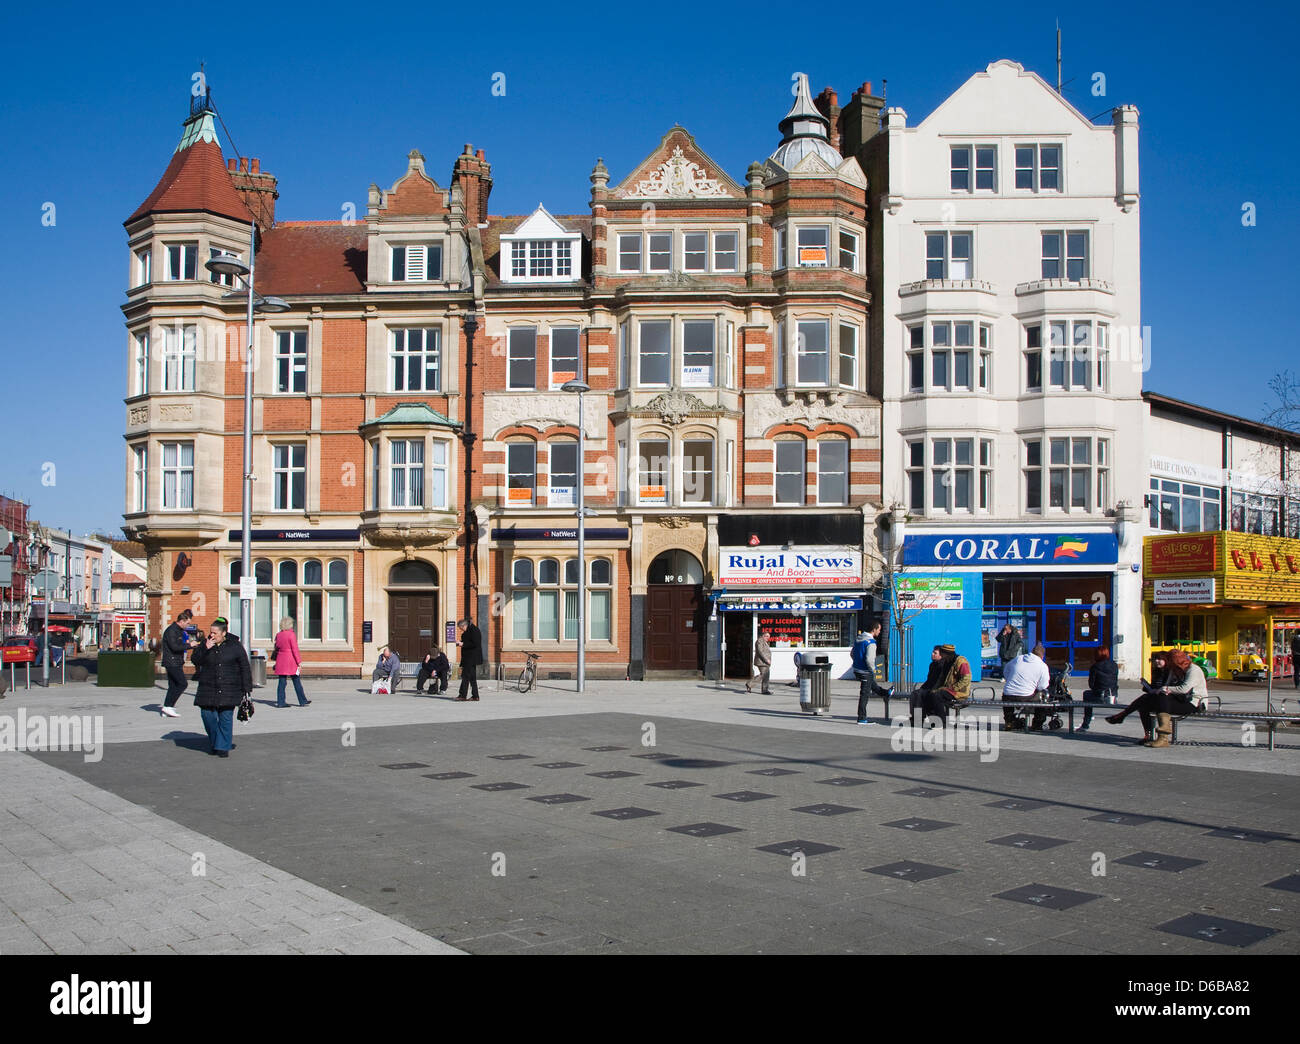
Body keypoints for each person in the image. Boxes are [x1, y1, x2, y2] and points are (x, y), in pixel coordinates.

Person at [1106, 651, 1202, 747]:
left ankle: (1162, 737)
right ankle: (1151, 735)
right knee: (1145, 704)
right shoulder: (1178, 669)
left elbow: (1184, 689)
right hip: (1180, 699)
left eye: (1170, 661)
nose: (1170, 663)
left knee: (1160, 696)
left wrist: (1165, 689)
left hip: (1194, 703)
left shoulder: (1193, 670)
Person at [189, 618, 251, 757]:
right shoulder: (206, 644)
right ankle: (217, 741)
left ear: (223, 633)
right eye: (211, 632)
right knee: (207, 715)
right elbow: (195, 660)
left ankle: (222, 747)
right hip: (208, 687)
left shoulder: (235, 646)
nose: (212, 635)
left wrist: (247, 687)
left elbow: (244, 667)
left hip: (229, 687)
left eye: (215, 633)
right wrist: (205, 648)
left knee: (225, 717)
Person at [912, 644, 971, 725]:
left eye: (942, 654)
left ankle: (941, 722)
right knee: (930, 694)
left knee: (936, 695)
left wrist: (953, 688)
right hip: (948, 690)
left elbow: (966, 678)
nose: (941, 655)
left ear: (947, 653)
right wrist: (935, 689)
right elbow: (941, 679)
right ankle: (928, 719)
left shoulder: (961, 661)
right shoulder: (947, 662)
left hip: (959, 691)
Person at [851, 621, 893, 724]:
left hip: (857, 669)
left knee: (872, 685)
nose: (879, 632)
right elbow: (870, 659)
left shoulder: (858, 639)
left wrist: (857, 662)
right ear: (874, 630)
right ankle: (862, 718)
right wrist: (872, 669)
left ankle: (885, 693)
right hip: (865, 671)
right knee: (864, 694)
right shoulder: (871, 642)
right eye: (879, 629)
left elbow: (852, 653)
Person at [1001, 643, 1051, 731]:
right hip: (1025, 696)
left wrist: (1009, 679)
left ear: (1031, 652)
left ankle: (1009, 722)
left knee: (1008, 694)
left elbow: (1006, 669)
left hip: (1008, 694)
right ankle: (1037, 724)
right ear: (1042, 656)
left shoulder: (1018, 658)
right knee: (1042, 698)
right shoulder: (1042, 666)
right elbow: (1043, 686)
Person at [160, 608, 198, 718]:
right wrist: (190, 645)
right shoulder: (172, 630)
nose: (188, 625)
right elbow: (175, 647)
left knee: (173, 685)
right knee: (182, 684)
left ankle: (168, 707)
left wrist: (188, 644)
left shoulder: (177, 630)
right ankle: (167, 707)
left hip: (174, 661)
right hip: (172, 661)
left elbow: (177, 645)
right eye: (187, 623)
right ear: (181, 621)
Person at [272, 617, 311, 708]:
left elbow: (277, 646)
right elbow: (295, 649)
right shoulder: (291, 635)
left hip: (281, 660)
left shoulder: (278, 635)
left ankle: (280, 701)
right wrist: (299, 662)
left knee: (282, 682)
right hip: (291, 660)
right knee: (296, 681)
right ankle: (302, 700)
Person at [1079, 647, 1119, 731]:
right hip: (1113, 695)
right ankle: (1088, 719)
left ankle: (1086, 722)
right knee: (1089, 694)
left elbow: (1091, 685)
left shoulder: (1095, 667)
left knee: (1086, 694)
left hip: (1100, 696)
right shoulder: (1114, 665)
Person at [456, 617, 483, 701]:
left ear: (464, 626)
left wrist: (462, 644)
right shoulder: (469, 630)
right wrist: (460, 642)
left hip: (471, 657)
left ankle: (462, 695)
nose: (461, 630)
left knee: (465, 676)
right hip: (469, 657)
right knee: (472, 678)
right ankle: (475, 696)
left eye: (461, 628)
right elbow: (468, 641)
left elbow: (475, 643)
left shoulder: (474, 630)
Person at [748, 630, 772, 695]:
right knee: (763, 674)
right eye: (766, 636)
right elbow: (760, 652)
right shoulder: (760, 641)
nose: (768, 638)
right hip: (762, 662)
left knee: (766, 676)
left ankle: (765, 690)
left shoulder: (764, 641)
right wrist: (766, 659)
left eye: (768, 636)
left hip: (764, 662)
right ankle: (750, 684)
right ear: (763, 636)